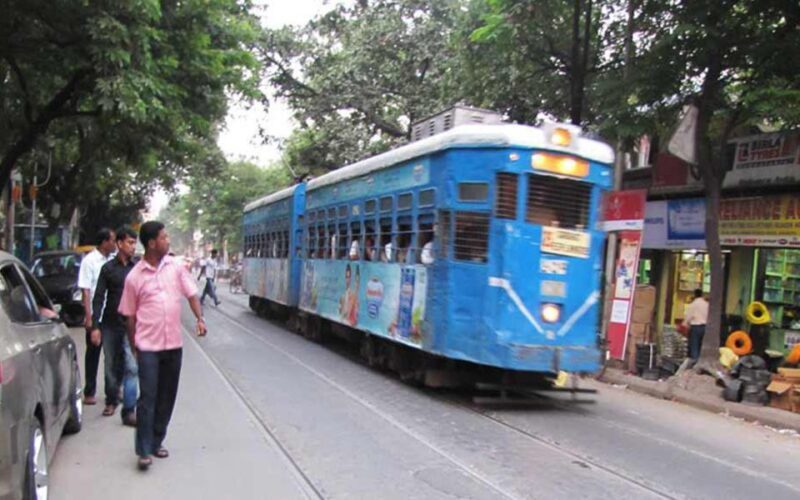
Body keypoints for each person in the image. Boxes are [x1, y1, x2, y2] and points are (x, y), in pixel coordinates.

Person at [119, 221, 207, 471]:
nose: (168, 241)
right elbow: (130, 315)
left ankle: (157, 440)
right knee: (148, 397)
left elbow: (191, 294)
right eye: (164, 237)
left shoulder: (176, 268)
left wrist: (200, 319)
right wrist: (134, 345)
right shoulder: (134, 277)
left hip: (173, 345)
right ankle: (144, 449)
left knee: (167, 396)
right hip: (148, 346)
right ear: (151, 243)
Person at [91, 226, 139, 426]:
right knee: (111, 364)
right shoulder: (108, 269)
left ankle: (129, 410)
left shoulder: (137, 269)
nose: (133, 247)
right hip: (110, 324)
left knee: (131, 367)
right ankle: (111, 400)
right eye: (129, 242)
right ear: (119, 244)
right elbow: (99, 297)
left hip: (131, 325)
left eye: (135, 243)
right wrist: (95, 326)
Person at [77, 227, 116, 405]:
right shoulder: (90, 261)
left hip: (111, 314)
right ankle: (89, 391)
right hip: (96, 315)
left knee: (113, 355)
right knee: (93, 354)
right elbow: (86, 291)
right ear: (104, 242)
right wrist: (89, 317)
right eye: (112, 240)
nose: (115, 244)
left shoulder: (113, 261)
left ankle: (113, 392)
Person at [683, 289, 709, 362]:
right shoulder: (706, 304)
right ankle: (702, 361)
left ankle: (695, 362)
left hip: (695, 327)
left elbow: (689, 316)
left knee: (694, 346)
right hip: (705, 327)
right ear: (702, 294)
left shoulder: (693, 304)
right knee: (702, 345)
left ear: (694, 295)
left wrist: (684, 324)